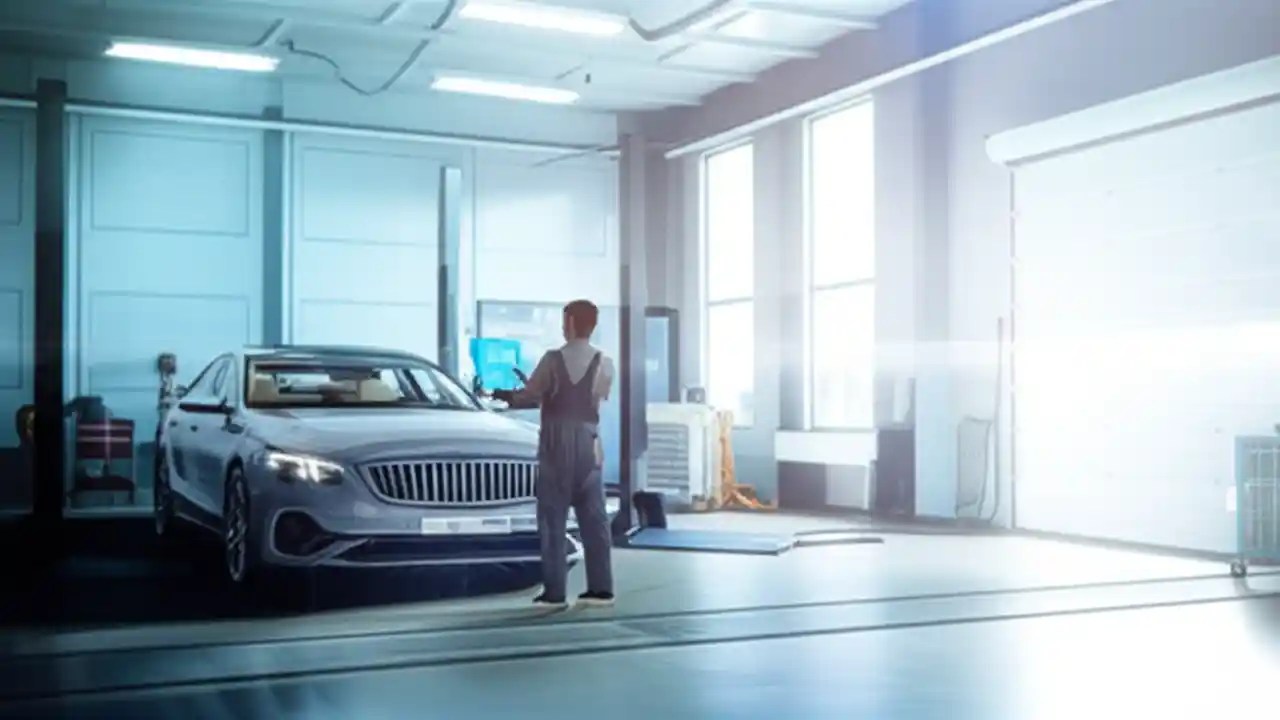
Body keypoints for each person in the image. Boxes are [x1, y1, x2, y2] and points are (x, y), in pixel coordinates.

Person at [492, 300, 616, 608]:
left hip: (556, 442)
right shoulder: (606, 362)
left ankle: (555, 593)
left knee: (552, 519)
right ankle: (601, 590)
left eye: (565, 321)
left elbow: (529, 397)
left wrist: (505, 394)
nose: (563, 327)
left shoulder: (551, 359)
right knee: (594, 519)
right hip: (591, 442)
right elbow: (594, 398)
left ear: (572, 322)